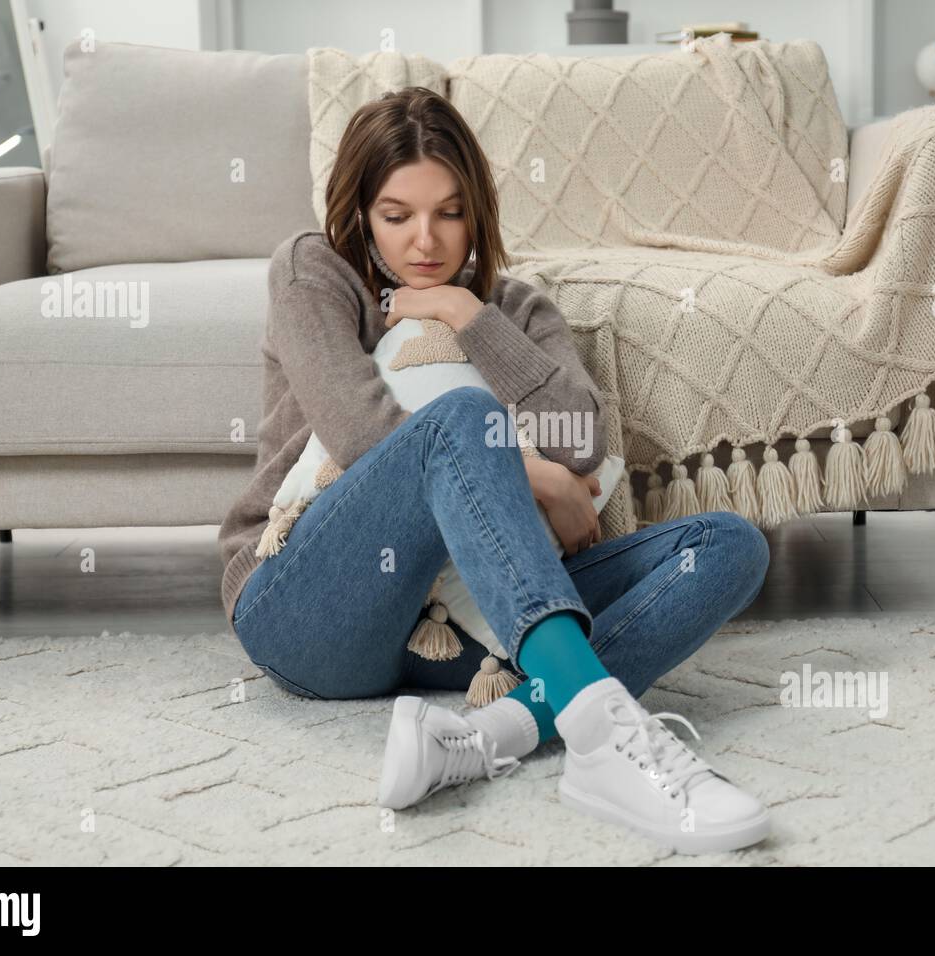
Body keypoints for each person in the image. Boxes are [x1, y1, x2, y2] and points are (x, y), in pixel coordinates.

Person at [217, 87, 772, 854]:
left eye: (449, 212)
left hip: (464, 632)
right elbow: (361, 433)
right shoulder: (315, 270)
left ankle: (493, 735)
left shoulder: (516, 308)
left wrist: (464, 315)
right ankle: (604, 741)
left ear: (477, 211)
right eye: (396, 213)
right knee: (462, 422)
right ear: (359, 212)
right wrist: (535, 480)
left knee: (728, 545)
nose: (424, 240)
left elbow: (579, 439)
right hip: (311, 608)